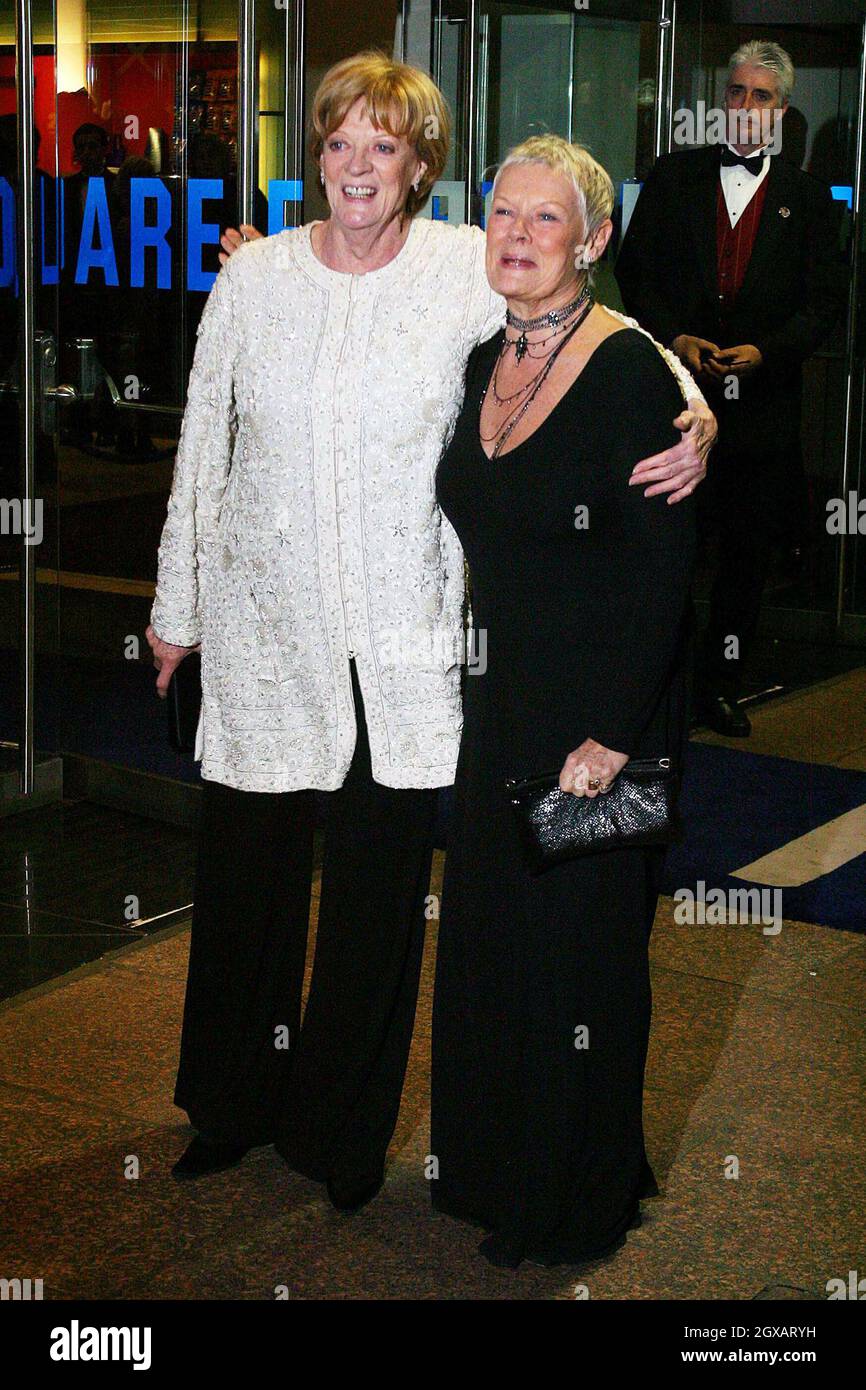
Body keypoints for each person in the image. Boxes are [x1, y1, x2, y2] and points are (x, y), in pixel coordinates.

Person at [146, 51, 714, 1210]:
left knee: (374, 900)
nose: (361, 165)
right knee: (247, 885)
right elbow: (202, 450)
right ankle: (230, 1101)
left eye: (386, 146)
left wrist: (691, 404)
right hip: (264, 632)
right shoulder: (252, 283)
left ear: (419, 165)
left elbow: (593, 322)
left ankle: (336, 1134)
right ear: (318, 155)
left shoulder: (465, 265)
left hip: (404, 650)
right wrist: (175, 615)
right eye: (341, 142)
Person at [431, 135, 697, 1269]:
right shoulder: (479, 352)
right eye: (501, 213)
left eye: (546, 220)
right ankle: (493, 1169)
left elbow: (663, 578)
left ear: (591, 241)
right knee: (495, 947)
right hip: (496, 702)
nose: (516, 236)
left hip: (593, 714)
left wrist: (609, 734)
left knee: (578, 962)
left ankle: (572, 1194)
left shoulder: (630, 370)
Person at [615, 41, 847, 737]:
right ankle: (653, 683)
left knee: (744, 558)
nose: (746, 109)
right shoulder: (673, 177)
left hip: (763, 415)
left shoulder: (809, 201)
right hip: (675, 405)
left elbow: (824, 301)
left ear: (782, 111)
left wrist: (766, 352)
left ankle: (719, 685)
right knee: (669, 549)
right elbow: (634, 273)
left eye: (762, 97)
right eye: (737, 94)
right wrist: (676, 338)